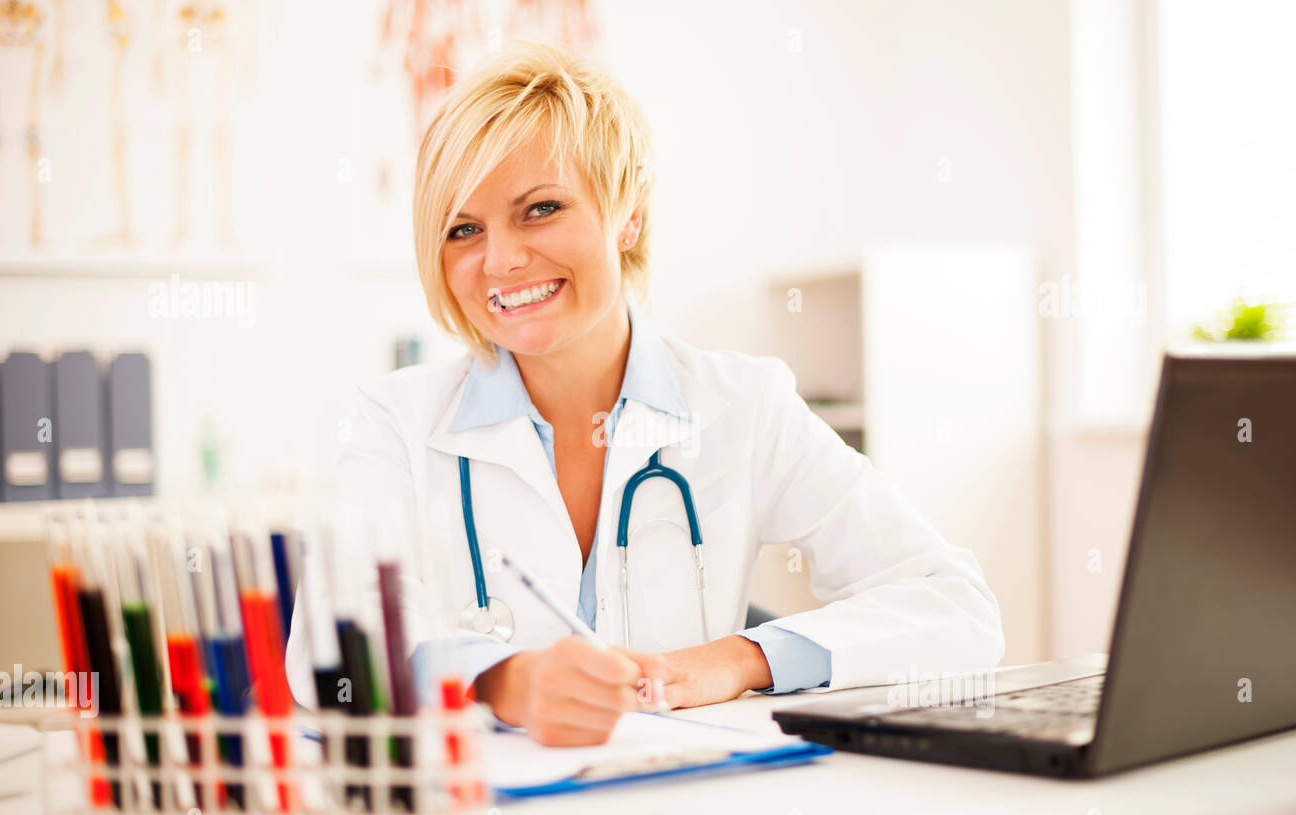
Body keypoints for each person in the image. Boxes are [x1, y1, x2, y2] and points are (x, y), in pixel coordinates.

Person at [286, 41, 1005, 747]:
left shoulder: (746, 405)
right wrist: (507, 682)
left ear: (627, 213)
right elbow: (328, 653)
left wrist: (736, 660)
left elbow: (954, 604)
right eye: (463, 229)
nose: (500, 259)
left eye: (539, 209)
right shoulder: (396, 424)